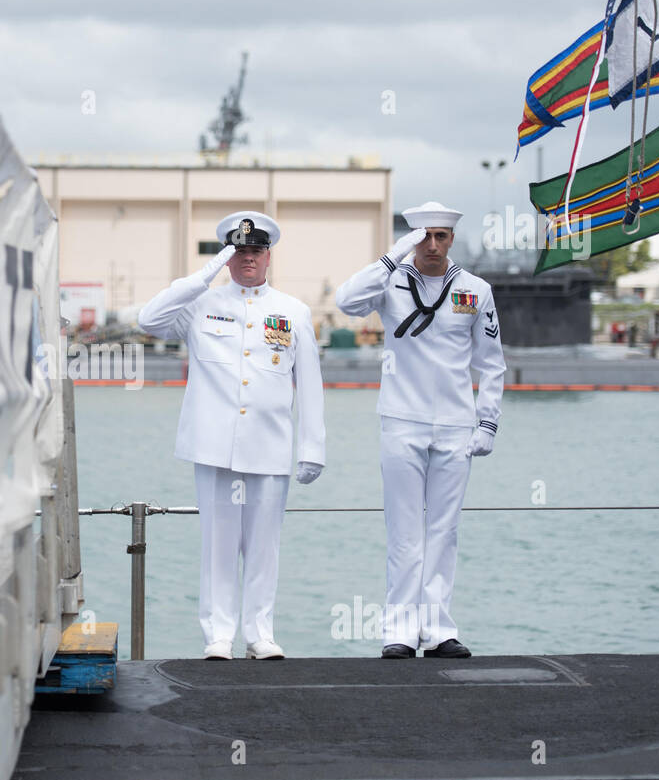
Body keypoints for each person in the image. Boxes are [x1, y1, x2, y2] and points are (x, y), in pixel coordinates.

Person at [138, 211, 326, 660]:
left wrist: (312, 448)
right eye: (239, 251)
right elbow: (149, 319)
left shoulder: (292, 311)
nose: (248, 259)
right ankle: (218, 635)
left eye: (255, 250)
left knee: (264, 546)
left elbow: (312, 384)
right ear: (228, 255)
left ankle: (260, 633)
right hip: (215, 446)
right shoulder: (200, 305)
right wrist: (205, 273)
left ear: (268, 256)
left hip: (269, 445)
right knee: (218, 545)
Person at [334, 201, 505, 659]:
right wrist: (392, 257)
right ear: (412, 238)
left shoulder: (475, 290)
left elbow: (491, 363)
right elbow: (346, 300)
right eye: (423, 237)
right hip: (401, 420)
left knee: (444, 532)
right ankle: (400, 632)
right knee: (404, 532)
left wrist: (488, 421)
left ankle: (438, 629)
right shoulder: (390, 282)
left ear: (452, 239)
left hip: (455, 425)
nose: (432, 245)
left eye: (441, 237)